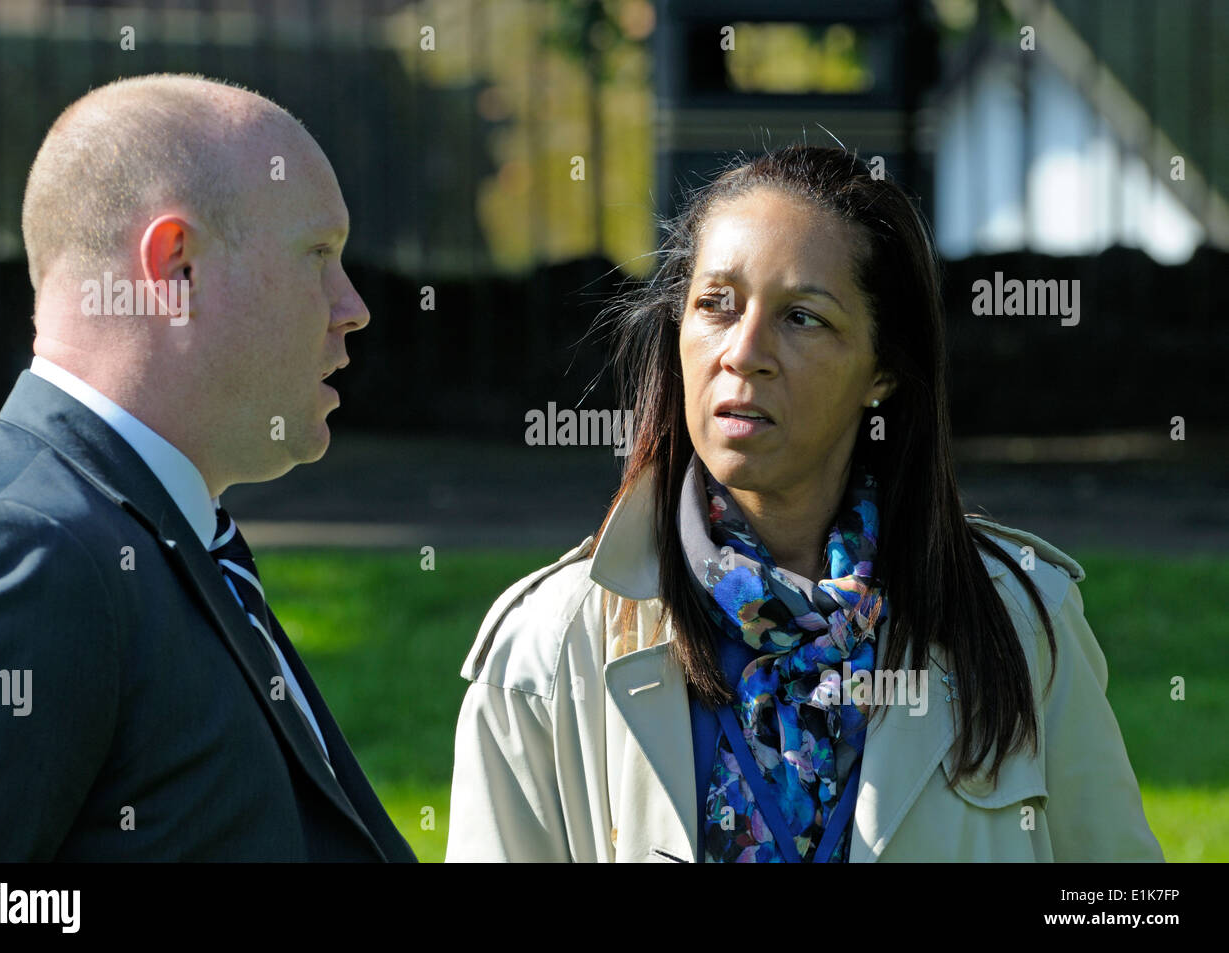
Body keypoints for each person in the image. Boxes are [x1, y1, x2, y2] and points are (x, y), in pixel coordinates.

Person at [445, 145, 1163, 862]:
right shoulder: (545, 649)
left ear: (881, 370)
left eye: (802, 317)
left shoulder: (1021, 618)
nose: (745, 350)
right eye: (715, 305)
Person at [0, 74, 415, 862]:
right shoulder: (22, 549)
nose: (351, 304)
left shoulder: (141, 528)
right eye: (318, 254)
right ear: (176, 268)